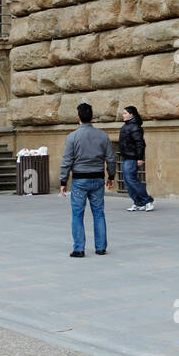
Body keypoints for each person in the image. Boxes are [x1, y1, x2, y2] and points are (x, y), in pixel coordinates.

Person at [58, 102, 118, 258]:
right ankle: (101, 247)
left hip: (79, 179)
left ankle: (79, 248)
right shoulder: (103, 136)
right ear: (92, 118)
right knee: (99, 213)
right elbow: (111, 159)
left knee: (77, 214)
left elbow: (67, 161)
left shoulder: (72, 137)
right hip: (97, 178)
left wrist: (63, 181)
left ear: (78, 118)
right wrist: (111, 176)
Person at [117, 105, 154, 212]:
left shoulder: (135, 127)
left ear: (131, 114)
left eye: (125, 113)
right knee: (127, 182)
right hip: (126, 157)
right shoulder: (127, 126)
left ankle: (148, 201)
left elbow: (140, 144)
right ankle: (138, 203)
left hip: (132, 158)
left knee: (132, 180)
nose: (123, 115)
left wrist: (139, 158)